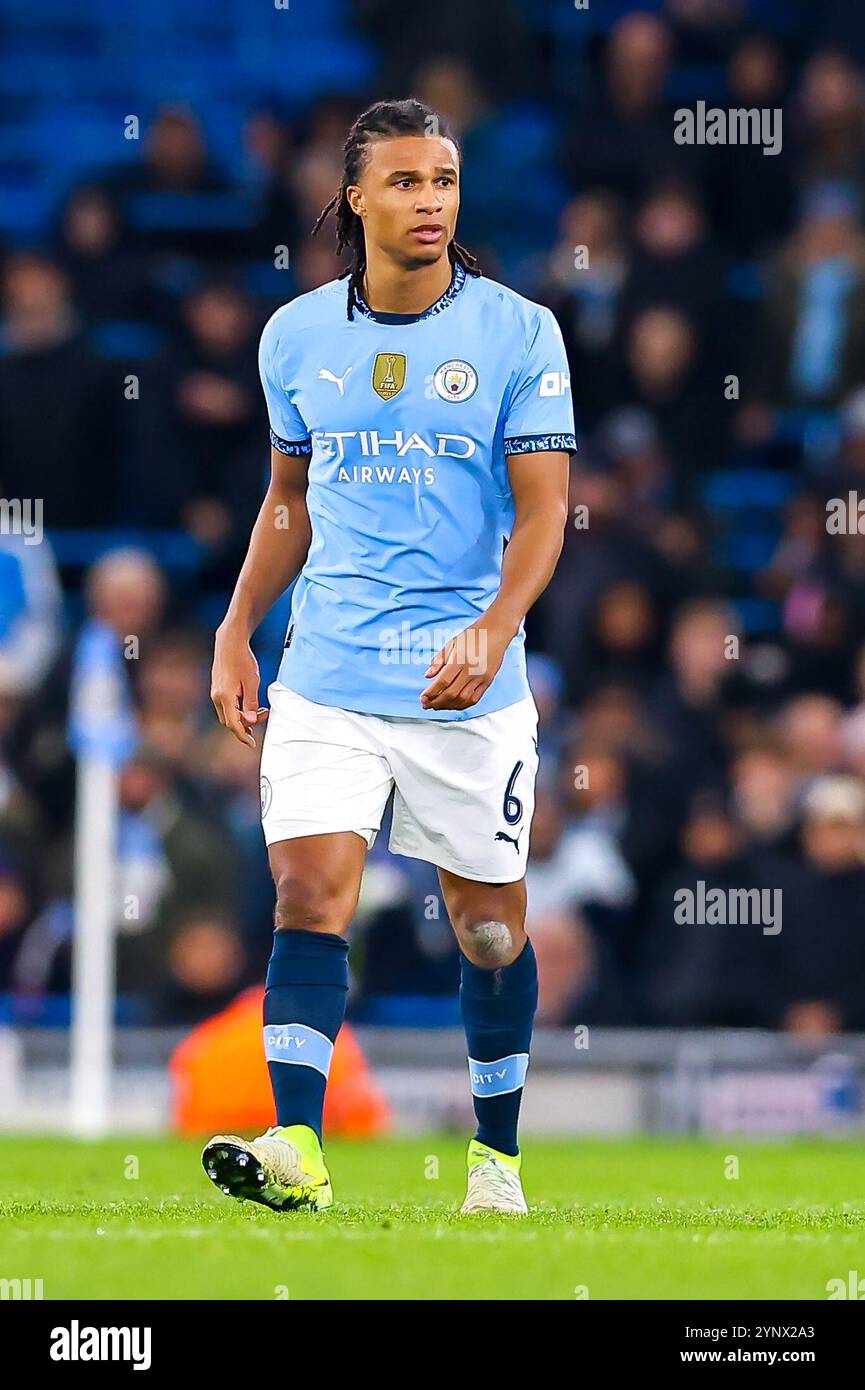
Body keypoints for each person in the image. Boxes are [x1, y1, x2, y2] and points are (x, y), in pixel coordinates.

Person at [204, 98, 575, 1215]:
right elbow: (287, 500)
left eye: (445, 182)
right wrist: (233, 628)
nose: (430, 203)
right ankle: (297, 1149)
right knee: (307, 893)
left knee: (489, 927)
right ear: (355, 198)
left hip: (464, 681)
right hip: (330, 673)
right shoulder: (296, 337)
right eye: (407, 183)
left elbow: (547, 510)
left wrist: (497, 625)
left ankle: (495, 1160)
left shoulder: (518, 331)